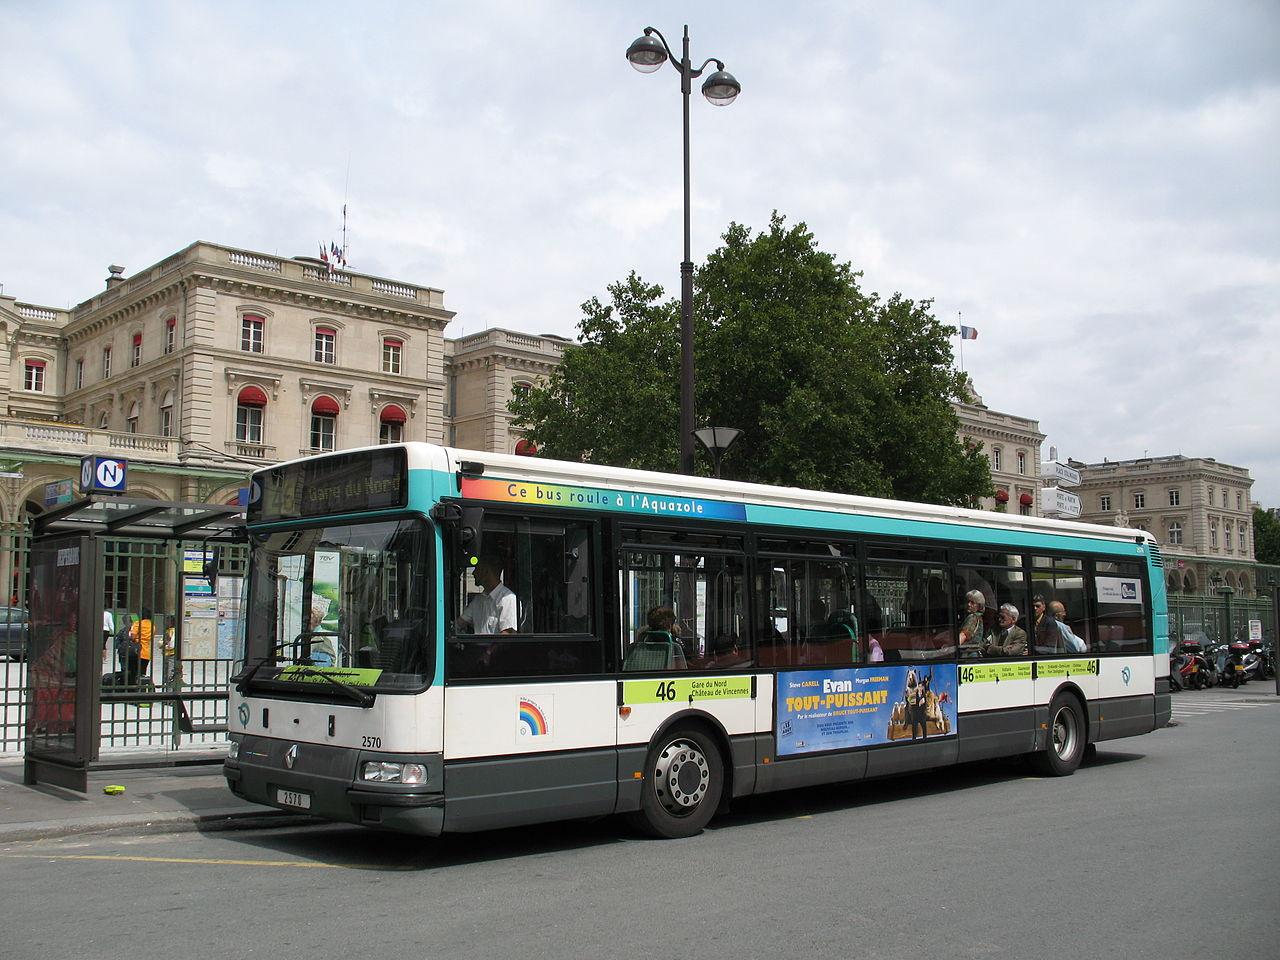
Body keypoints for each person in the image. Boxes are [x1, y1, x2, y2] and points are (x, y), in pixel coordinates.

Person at [456, 556, 517, 636]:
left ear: (486, 571)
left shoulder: (507, 599)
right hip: (478, 648)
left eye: (476, 569)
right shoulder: (478, 600)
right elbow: (459, 623)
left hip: (494, 648)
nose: (473, 573)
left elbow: (506, 636)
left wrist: (489, 649)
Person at [958, 590, 986, 657]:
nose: (969, 604)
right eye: (967, 601)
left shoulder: (972, 617)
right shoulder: (978, 617)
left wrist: (949, 648)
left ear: (979, 606)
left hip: (969, 656)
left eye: (972, 603)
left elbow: (963, 635)